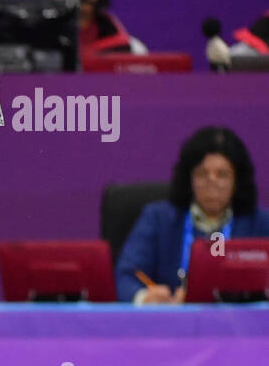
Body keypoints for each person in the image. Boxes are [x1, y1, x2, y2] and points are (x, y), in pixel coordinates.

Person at [115, 126, 269, 304]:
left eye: (222, 174)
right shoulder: (158, 219)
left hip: (241, 327)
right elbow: (126, 275)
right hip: (173, 324)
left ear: (237, 181)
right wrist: (145, 298)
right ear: (189, 179)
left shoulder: (260, 224)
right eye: (202, 174)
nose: (212, 182)